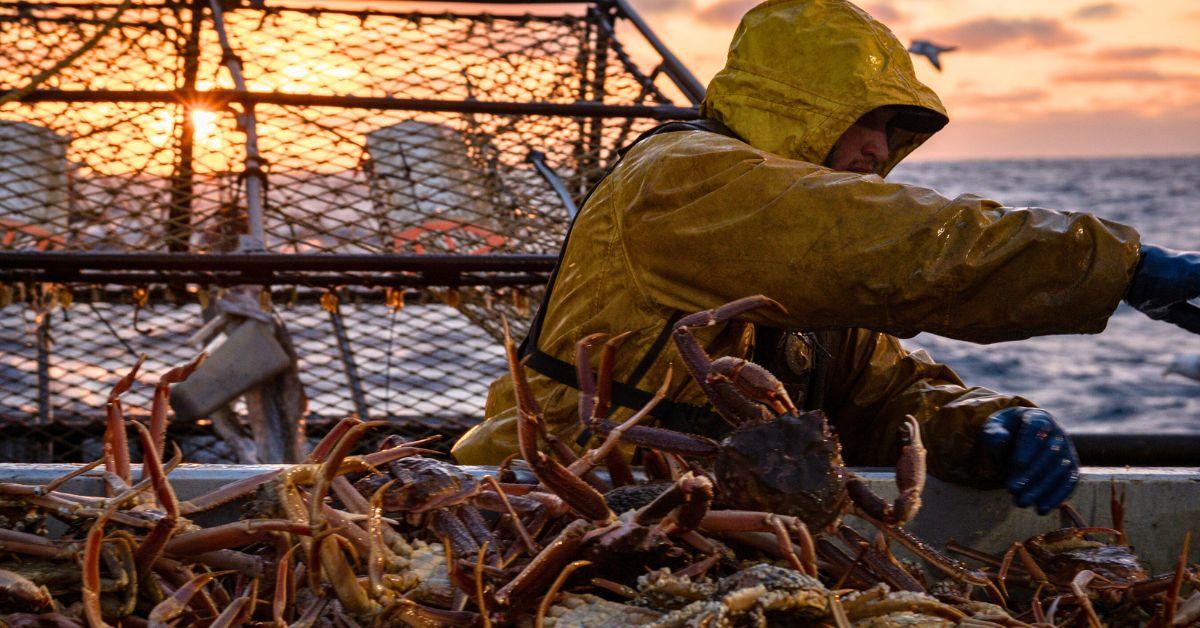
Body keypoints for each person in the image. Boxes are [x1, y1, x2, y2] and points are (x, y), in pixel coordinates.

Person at [452, 0, 1199, 515]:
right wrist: (1115, 266)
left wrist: (986, 424)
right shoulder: (679, 180)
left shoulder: (808, 268)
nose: (880, 150)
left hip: (720, 520)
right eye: (862, 122)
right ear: (791, 109)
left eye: (892, 131)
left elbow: (880, 391)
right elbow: (888, 244)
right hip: (548, 500)